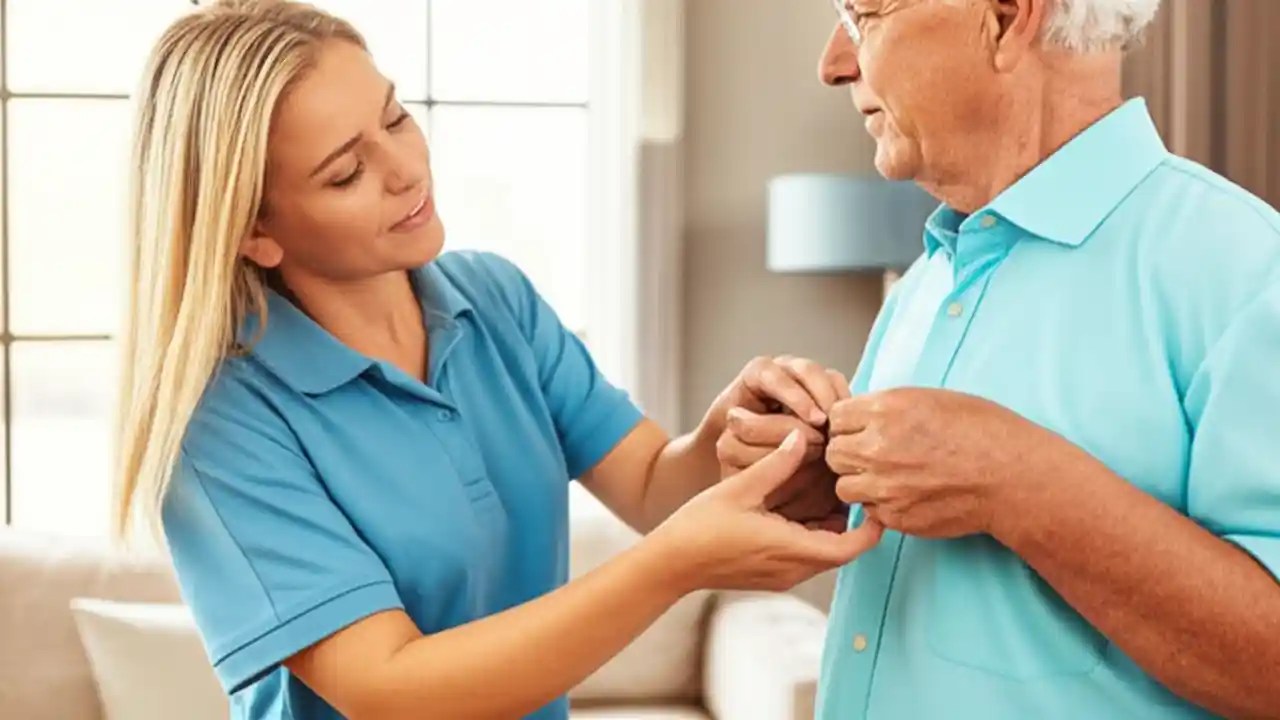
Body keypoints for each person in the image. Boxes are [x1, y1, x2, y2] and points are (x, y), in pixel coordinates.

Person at [113, 2, 883, 718]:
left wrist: (730, 433)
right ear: (255, 233)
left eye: (395, 117)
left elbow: (653, 486)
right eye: (346, 172)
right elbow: (389, 690)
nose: (405, 168)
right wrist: (675, 566)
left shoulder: (495, 300)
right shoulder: (220, 421)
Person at [716, 0, 1280, 718]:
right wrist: (830, 480)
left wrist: (1018, 485)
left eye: (863, 15)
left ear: (1008, 17)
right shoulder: (927, 280)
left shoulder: (1249, 273)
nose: (834, 64)